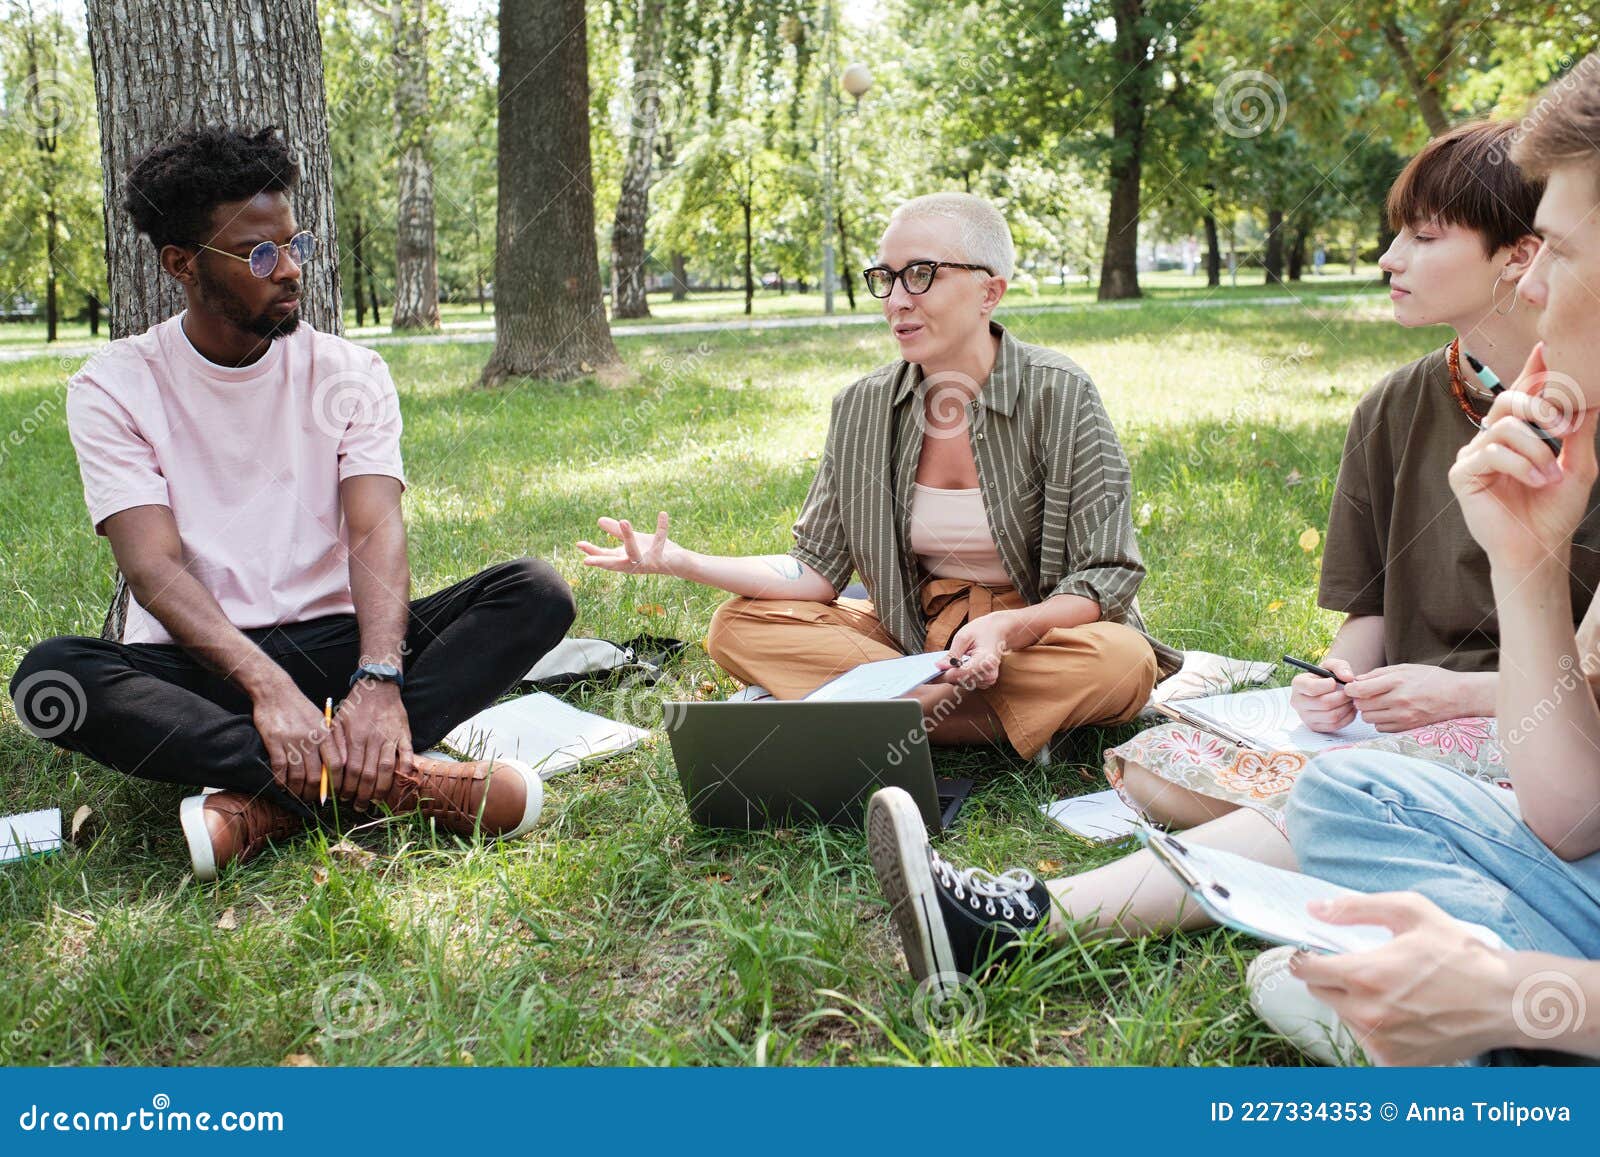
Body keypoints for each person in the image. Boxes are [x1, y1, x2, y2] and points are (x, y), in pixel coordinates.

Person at [865, 119, 1600, 989]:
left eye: (1424, 236)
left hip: (1518, 741)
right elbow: (1366, 607)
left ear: (1518, 258)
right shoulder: (1395, 406)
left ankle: (1024, 919)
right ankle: (1400, 876)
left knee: (1337, 798)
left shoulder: (1576, 423)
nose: (1388, 257)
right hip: (1410, 730)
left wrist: (1459, 691)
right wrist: (1334, 676)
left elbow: (1578, 707)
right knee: (1153, 766)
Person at [7, 126, 575, 882]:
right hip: (203, 668)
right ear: (182, 264)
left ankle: (270, 802)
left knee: (535, 591)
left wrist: (378, 680)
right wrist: (267, 689)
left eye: (294, 242)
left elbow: (375, 530)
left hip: (339, 648)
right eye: (260, 254)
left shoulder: (351, 371)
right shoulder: (113, 386)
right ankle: (400, 783)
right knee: (52, 678)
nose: (292, 269)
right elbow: (153, 568)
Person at [1255, 56, 1600, 1068]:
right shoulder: (1399, 407)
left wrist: (1521, 990)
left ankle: (1493, 1035)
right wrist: (1527, 564)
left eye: (1562, 253)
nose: (1533, 283)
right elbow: (1576, 817)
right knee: (1341, 793)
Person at [579, 192, 1178, 760]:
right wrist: (685, 561)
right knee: (737, 626)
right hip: (913, 633)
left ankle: (876, 712)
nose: (897, 299)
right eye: (886, 278)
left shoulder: (1060, 392)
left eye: (921, 274)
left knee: (1123, 661)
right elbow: (814, 570)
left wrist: (1010, 627)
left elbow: (1106, 574)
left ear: (988, 291)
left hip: (1035, 632)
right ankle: (982, 721)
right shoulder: (862, 406)